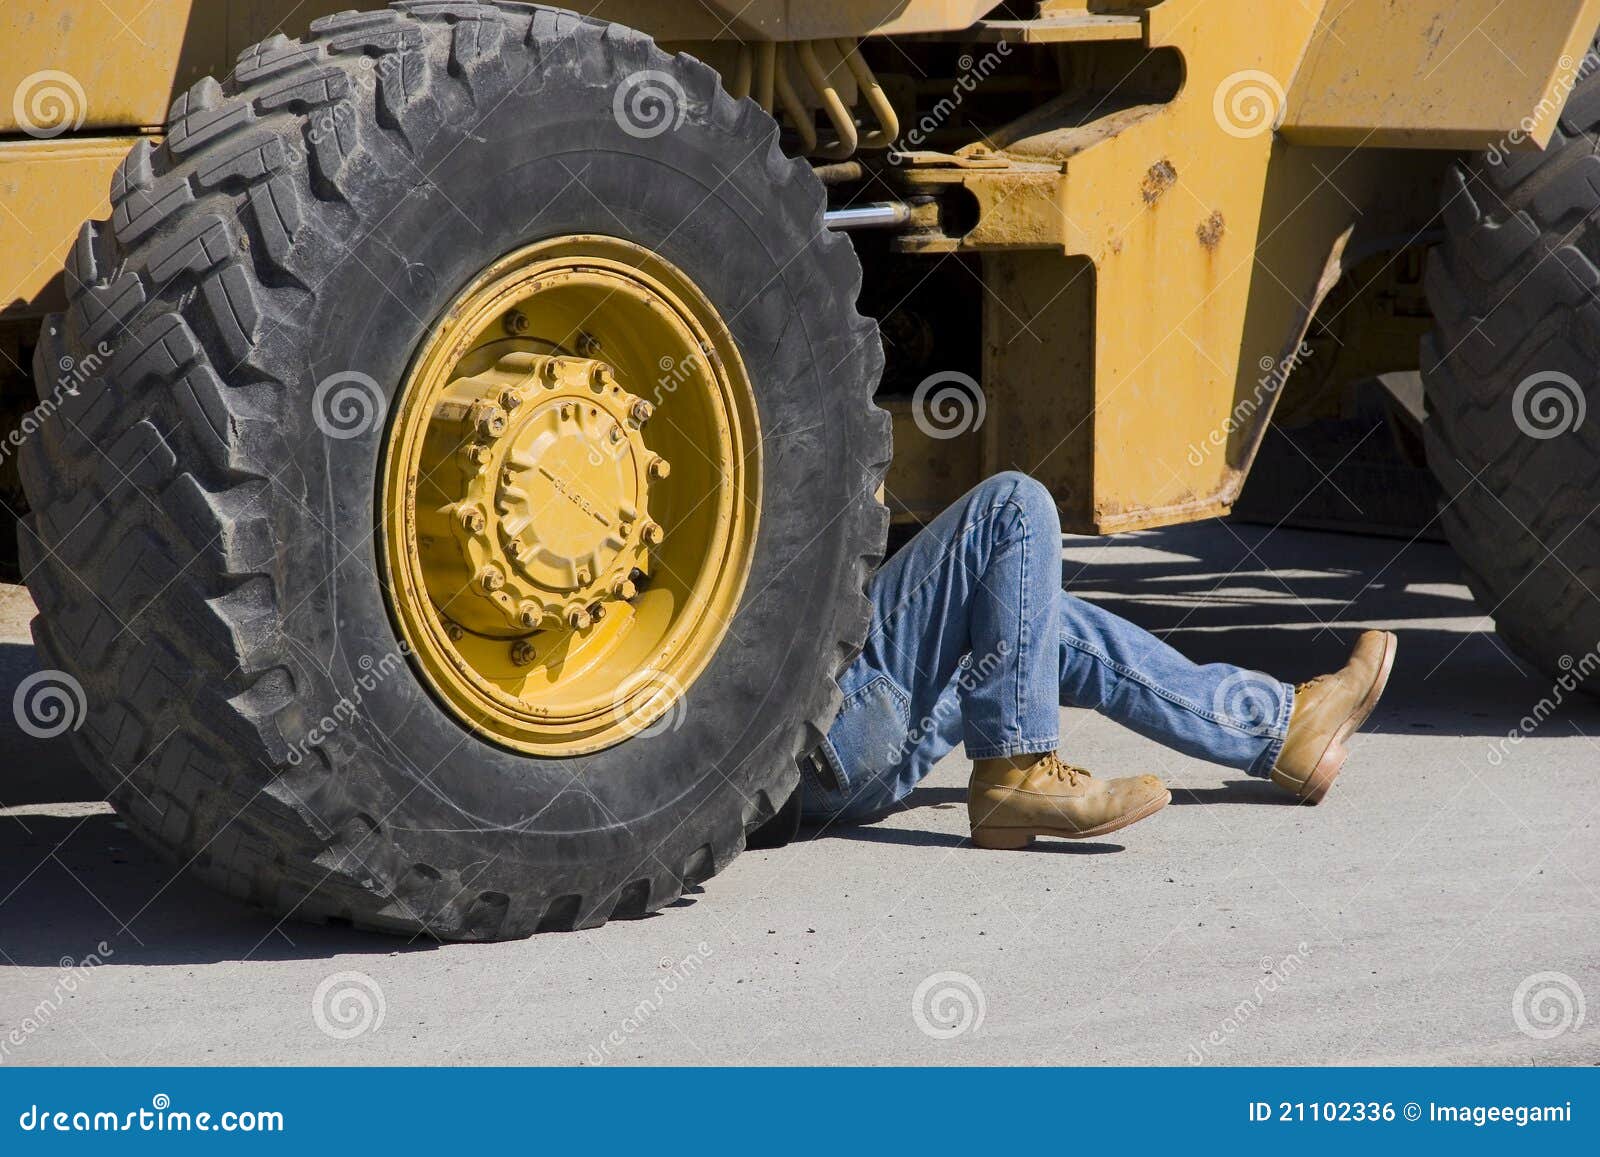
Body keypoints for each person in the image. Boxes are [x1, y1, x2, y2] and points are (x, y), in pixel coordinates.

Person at [798, 473, 1396, 847]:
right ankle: (1015, 773)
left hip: (805, 778)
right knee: (1013, 506)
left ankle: (1279, 729)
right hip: (827, 738)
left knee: (1021, 620)